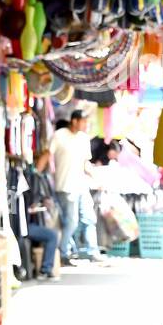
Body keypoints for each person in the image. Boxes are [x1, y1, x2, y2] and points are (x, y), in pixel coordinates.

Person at [51, 109, 101, 263]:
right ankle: (63, 253)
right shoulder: (59, 135)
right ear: (74, 121)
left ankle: (92, 251)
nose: (86, 125)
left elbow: (85, 163)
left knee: (89, 218)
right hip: (65, 186)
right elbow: (48, 155)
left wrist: (97, 179)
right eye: (84, 121)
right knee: (71, 222)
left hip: (81, 185)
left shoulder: (84, 139)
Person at [25, 150, 61, 280]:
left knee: (53, 233)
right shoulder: (32, 177)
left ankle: (45, 269)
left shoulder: (38, 178)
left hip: (29, 222)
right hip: (25, 225)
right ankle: (45, 270)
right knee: (52, 235)